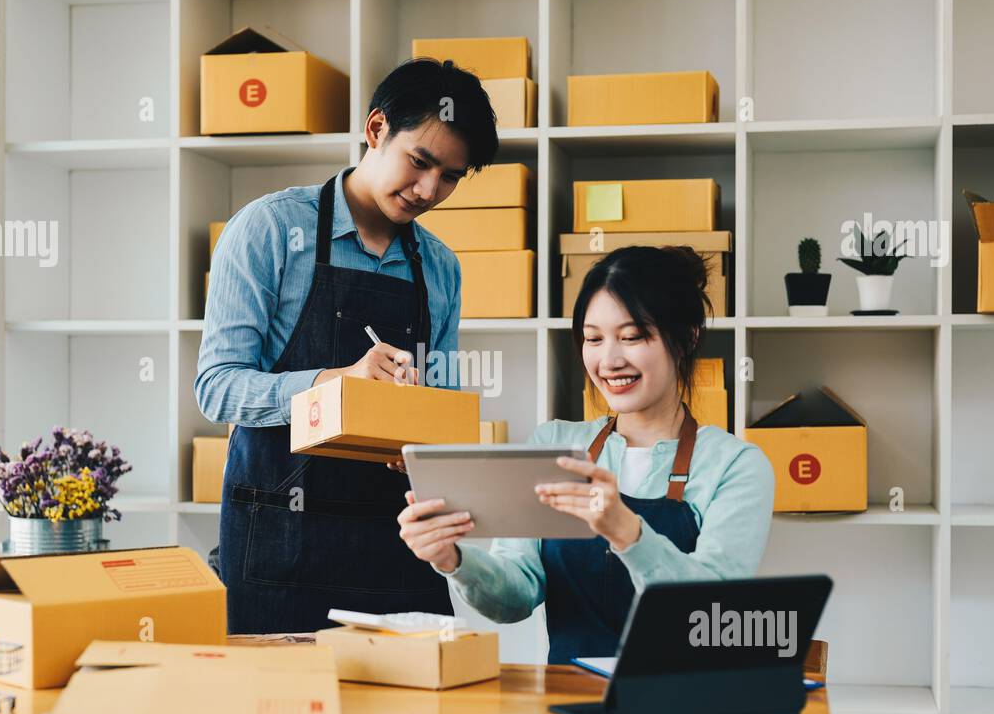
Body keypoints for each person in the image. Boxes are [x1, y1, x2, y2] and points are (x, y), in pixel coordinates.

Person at [195, 58, 499, 634]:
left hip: (396, 546)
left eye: (450, 176)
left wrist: (420, 428)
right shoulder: (268, 231)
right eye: (420, 162)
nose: (429, 190)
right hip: (281, 545)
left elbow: (440, 405)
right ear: (377, 129)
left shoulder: (440, 266)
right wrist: (330, 385)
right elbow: (216, 388)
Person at [396, 246, 776, 664]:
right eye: (593, 339)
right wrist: (453, 558)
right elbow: (515, 596)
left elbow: (709, 614)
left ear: (687, 337)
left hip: (681, 708)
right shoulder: (554, 445)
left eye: (632, 337)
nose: (609, 360)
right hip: (568, 708)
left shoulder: (736, 465)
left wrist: (627, 532)